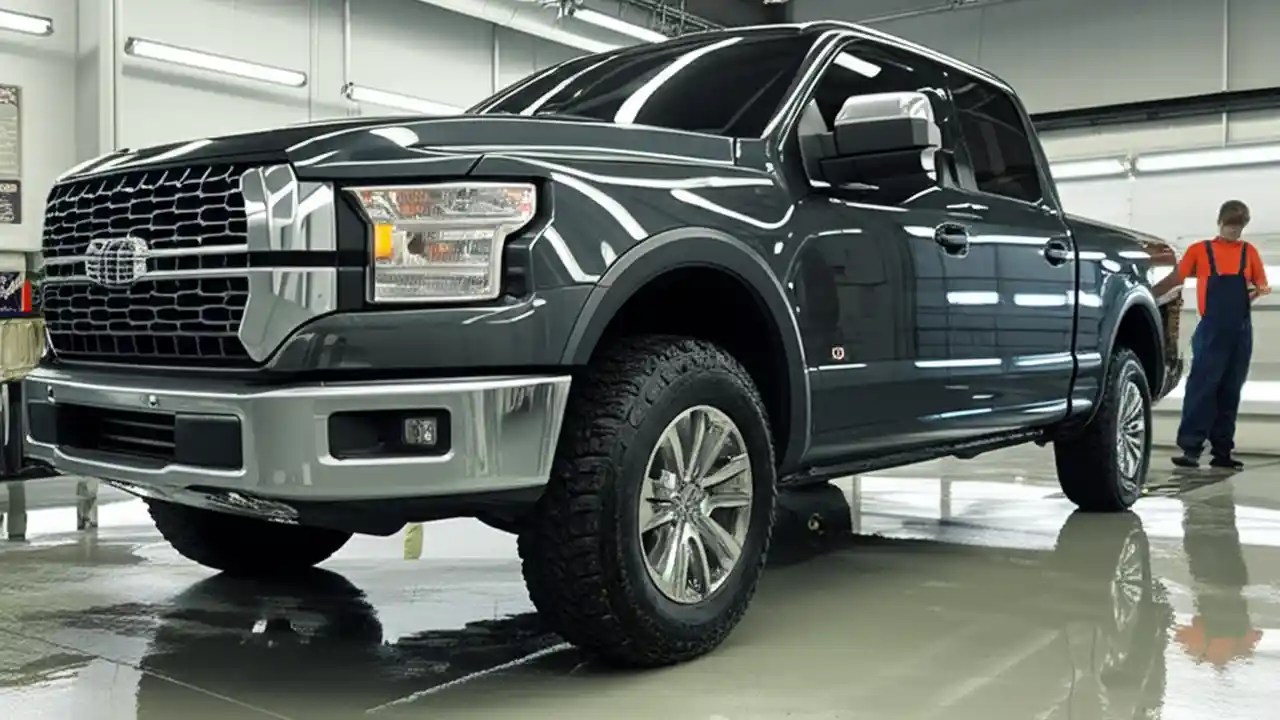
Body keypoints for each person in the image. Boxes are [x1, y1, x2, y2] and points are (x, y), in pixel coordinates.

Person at [1153, 200, 1270, 469]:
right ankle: (1191, 449)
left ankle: (1222, 452)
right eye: (1230, 226)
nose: (1234, 232)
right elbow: (1176, 279)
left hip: (1240, 332)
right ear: (1220, 222)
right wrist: (1149, 295)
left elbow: (1263, 286)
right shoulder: (1200, 251)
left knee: (1231, 391)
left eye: (1239, 227)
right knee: (1202, 388)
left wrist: (1250, 295)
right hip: (1211, 330)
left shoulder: (1248, 252)